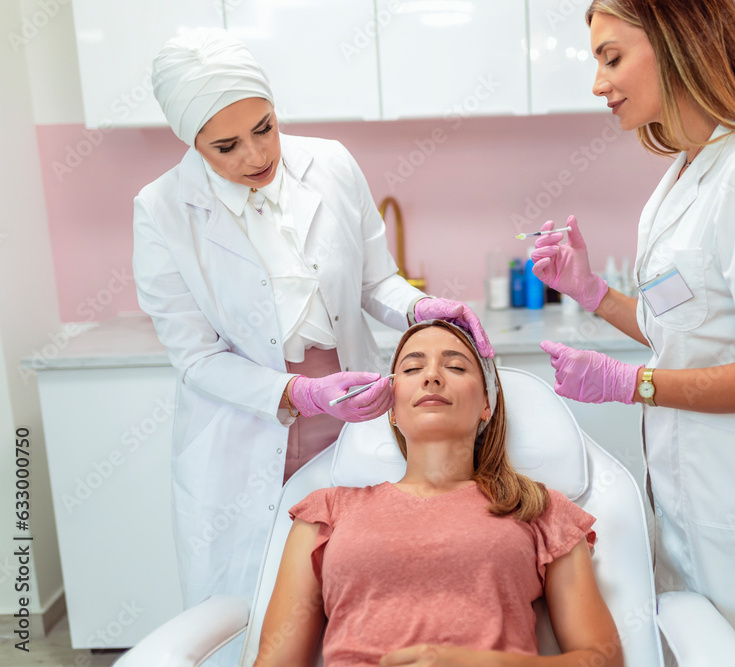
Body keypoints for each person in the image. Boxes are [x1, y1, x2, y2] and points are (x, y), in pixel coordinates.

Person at [132, 27, 493, 644]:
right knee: (250, 609)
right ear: (192, 144)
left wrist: (422, 308)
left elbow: (377, 284)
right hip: (246, 430)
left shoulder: (330, 164)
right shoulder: (162, 208)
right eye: (225, 146)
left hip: (357, 414)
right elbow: (195, 358)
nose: (254, 155)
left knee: (360, 586)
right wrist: (297, 394)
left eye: (264, 127)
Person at [529, 1, 735, 664]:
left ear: (680, 40)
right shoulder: (678, 181)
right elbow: (679, 331)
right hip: (686, 506)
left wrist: (631, 384)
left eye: (611, 57)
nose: (598, 83)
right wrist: (592, 292)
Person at [253, 320, 622, 667]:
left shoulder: (538, 508)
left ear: (485, 406)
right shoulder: (326, 512)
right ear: (391, 409)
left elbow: (602, 658)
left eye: (457, 368)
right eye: (412, 369)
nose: (431, 376)